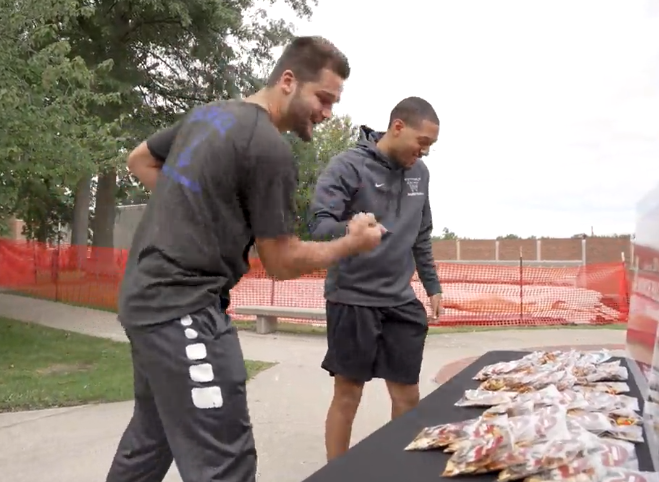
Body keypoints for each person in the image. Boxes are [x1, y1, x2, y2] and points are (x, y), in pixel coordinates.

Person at [107, 36, 386, 482]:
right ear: (288, 81)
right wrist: (351, 244)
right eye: (323, 98)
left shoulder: (208, 116)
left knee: (152, 437)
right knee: (225, 462)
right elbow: (281, 261)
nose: (328, 112)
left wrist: (199, 207)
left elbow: (140, 160)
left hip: (143, 298)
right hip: (182, 308)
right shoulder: (267, 147)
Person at [309, 96, 443, 461]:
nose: (424, 152)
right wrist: (350, 232)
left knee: (407, 395)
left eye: (430, 146)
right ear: (397, 127)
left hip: (400, 300)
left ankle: (399, 469)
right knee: (348, 394)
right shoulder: (348, 166)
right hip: (352, 298)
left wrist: (432, 286)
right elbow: (318, 226)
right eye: (422, 142)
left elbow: (421, 235)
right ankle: (336, 472)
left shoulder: (420, 174)